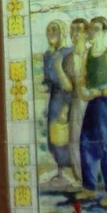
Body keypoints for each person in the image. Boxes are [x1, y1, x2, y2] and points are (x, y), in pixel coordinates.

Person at [78, 16, 107, 207]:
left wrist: (101, 91)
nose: (92, 32)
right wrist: (83, 91)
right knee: (86, 143)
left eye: (96, 28)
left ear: (104, 31)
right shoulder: (87, 54)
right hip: (92, 104)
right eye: (90, 29)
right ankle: (89, 188)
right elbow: (81, 79)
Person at [41, 20, 72, 186]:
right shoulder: (48, 55)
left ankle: (70, 172)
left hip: (66, 98)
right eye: (49, 30)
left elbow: (70, 83)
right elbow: (47, 79)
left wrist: (66, 108)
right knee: (54, 137)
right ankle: (60, 171)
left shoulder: (68, 52)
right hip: (54, 99)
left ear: (62, 32)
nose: (51, 33)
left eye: (55, 30)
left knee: (66, 136)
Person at [61, 17, 89, 185]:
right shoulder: (68, 58)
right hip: (76, 103)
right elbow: (67, 88)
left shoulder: (92, 55)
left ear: (86, 33)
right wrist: (65, 109)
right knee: (75, 139)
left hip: (92, 103)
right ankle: (81, 177)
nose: (76, 34)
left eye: (79, 30)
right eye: (73, 30)